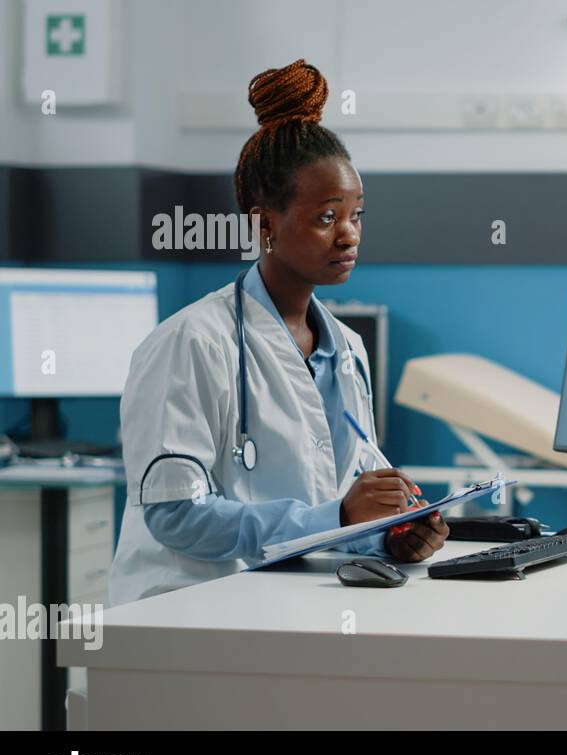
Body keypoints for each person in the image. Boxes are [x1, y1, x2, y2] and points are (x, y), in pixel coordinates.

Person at [109, 59, 447, 606]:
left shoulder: (347, 350)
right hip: (186, 613)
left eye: (356, 215)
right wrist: (337, 517)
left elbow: (346, 495)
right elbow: (175, 515)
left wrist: (394, 531)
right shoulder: (191, 342)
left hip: (296, 607)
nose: (348, 235)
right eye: (325, 217)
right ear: (264, 223)